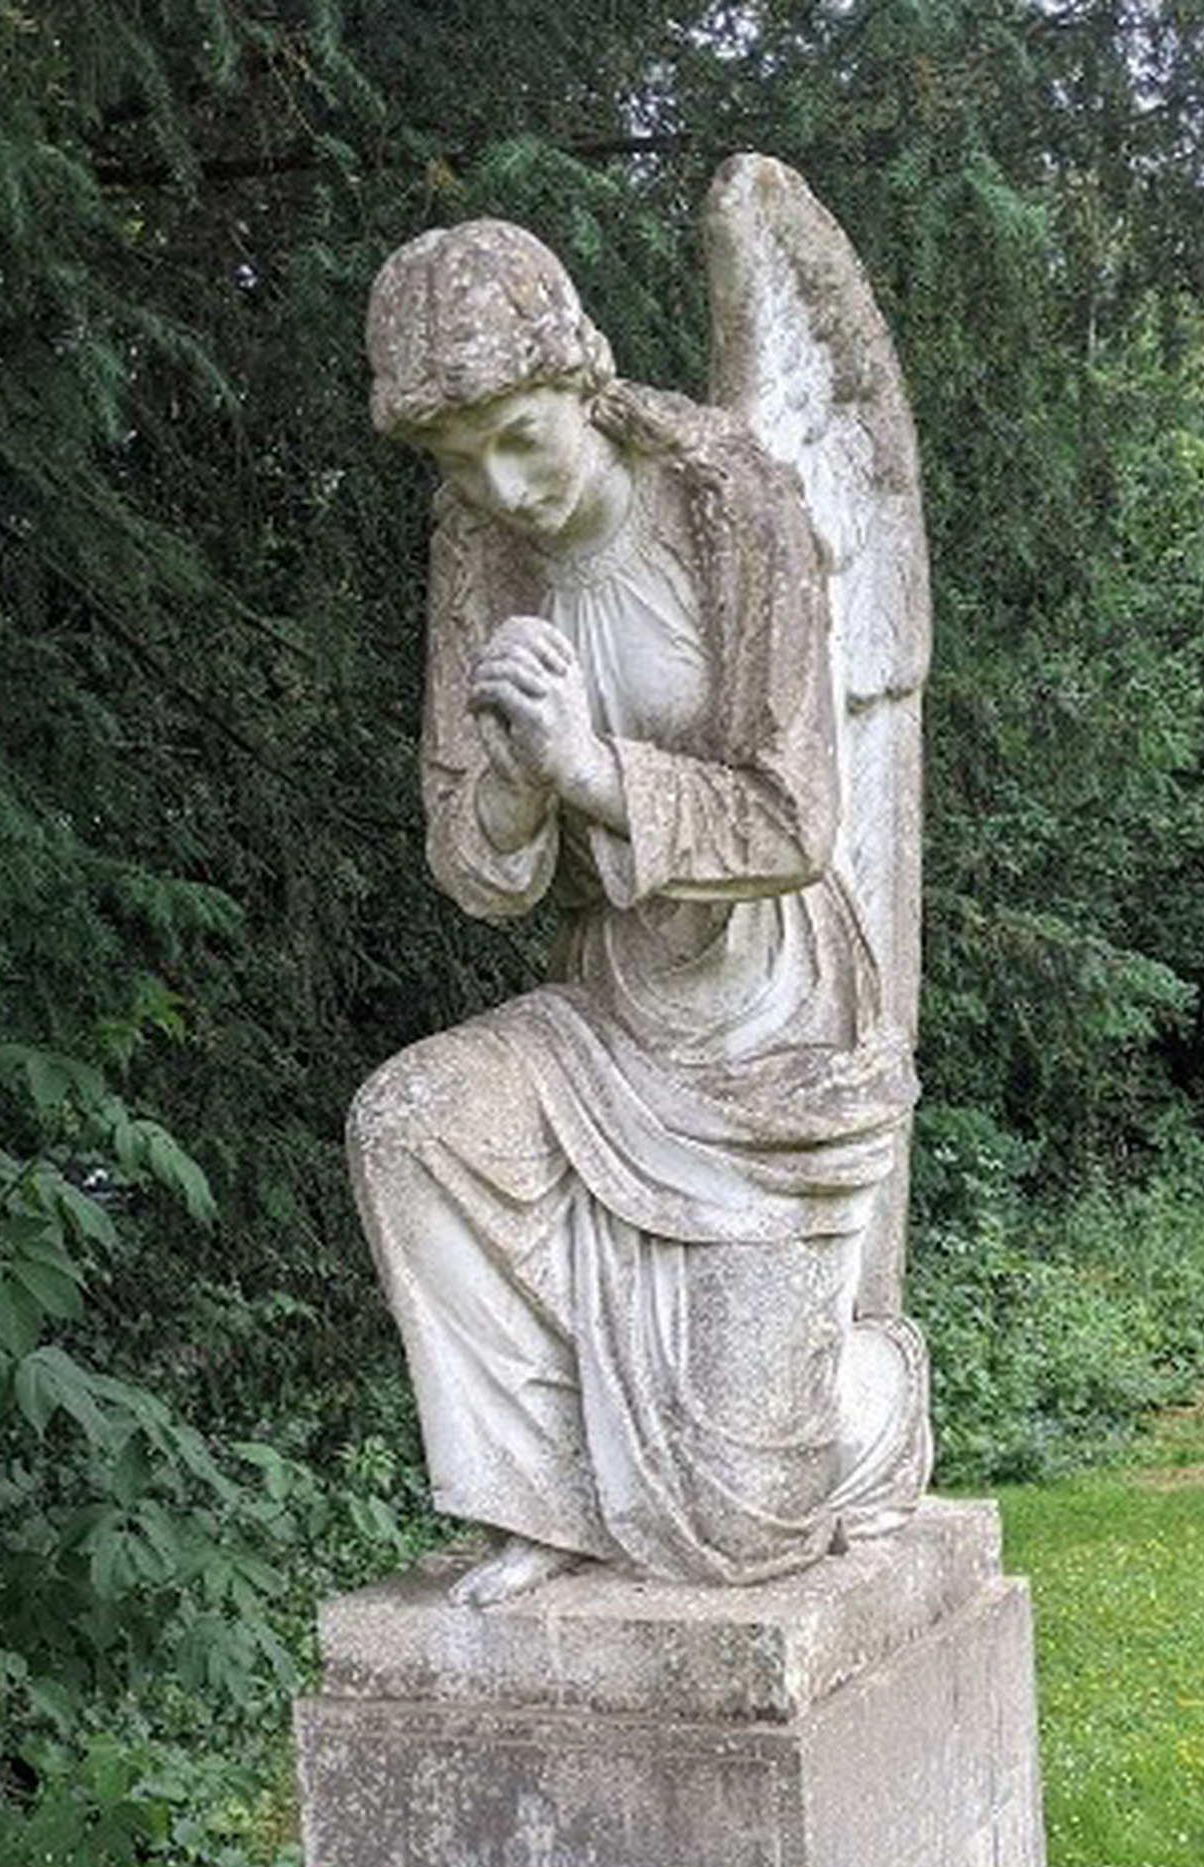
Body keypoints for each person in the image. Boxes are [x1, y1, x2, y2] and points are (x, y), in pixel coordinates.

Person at [350, 218, 928, 1606]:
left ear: (583, 381)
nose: (501, 486)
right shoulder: (479, 544)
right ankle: (540, 1493)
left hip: (775, 1025)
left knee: (743, 1531)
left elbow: (792, 822)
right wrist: (512, 782)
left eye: (521, 438)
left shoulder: (731, 500)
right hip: (610, 1011)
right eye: (459, 460)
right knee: (411, 1121)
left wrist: (590, 768)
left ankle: (873, 1399)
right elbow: (476, 873)